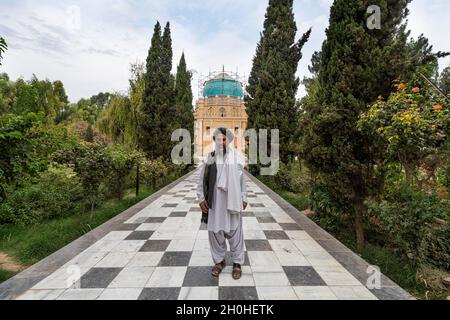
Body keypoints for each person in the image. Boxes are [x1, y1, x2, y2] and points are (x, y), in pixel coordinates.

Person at [196, 127, 248, 280]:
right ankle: (219, 261)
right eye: (218, 139)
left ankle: (237, 263)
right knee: (214, 232)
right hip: (215, 201)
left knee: (235, 231)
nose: (221, 142)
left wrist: (244, 197)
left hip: (232, 200)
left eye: (224, 139)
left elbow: (241, 181)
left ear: (229, 140)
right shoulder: (210, 158)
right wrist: (200, 198)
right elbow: (201, 180)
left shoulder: (236, 158)